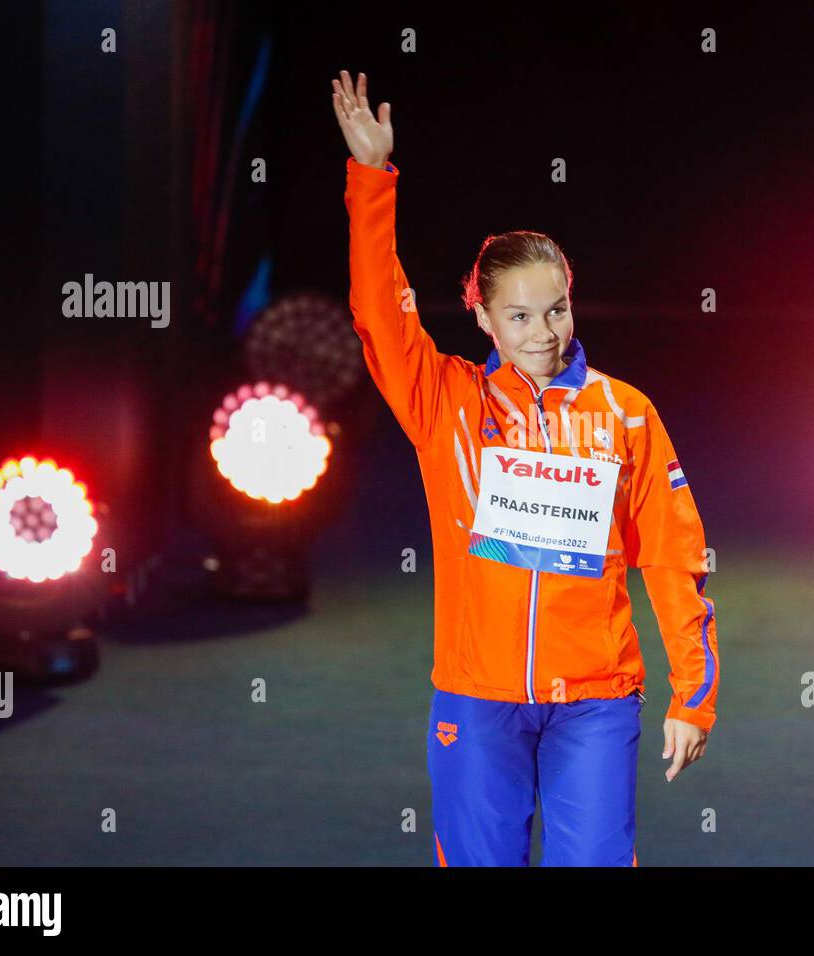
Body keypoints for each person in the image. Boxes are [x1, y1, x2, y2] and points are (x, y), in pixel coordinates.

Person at [332, 69, 719, 866]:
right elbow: (378, 311)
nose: (542, 332)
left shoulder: (628, 414)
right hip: (477, 700)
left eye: (557, 309)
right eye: (518, 315)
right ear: (479, 315)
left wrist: (694, 695)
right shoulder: (445, 402)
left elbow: (673, 559)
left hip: (598, 703)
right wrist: (373, 178)